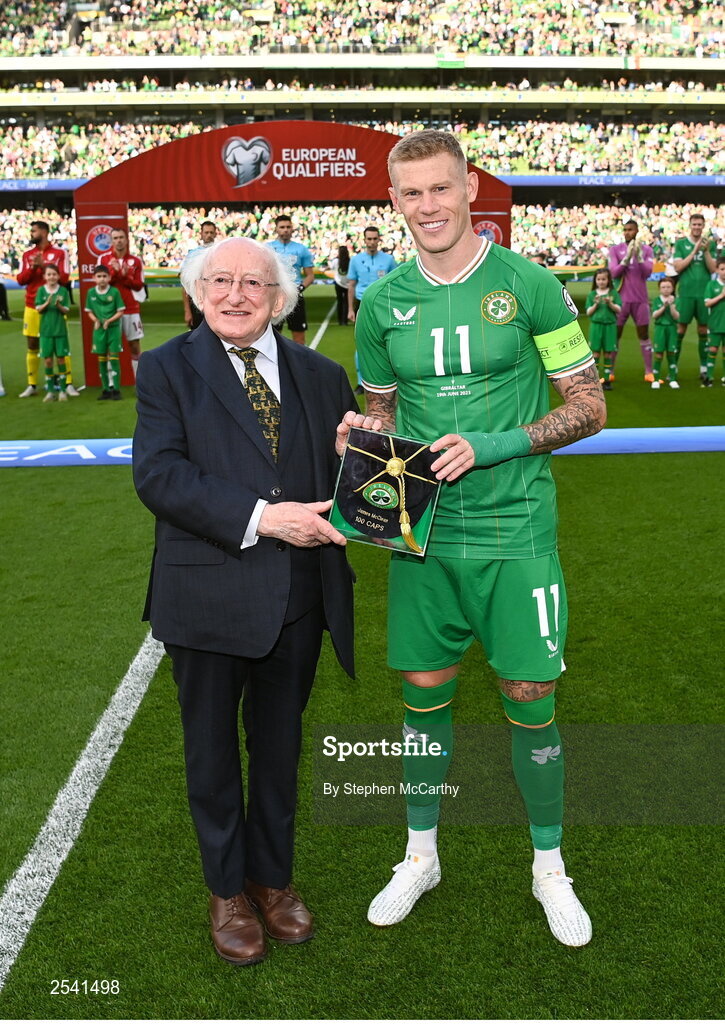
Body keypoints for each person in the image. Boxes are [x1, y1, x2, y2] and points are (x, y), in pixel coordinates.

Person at [355, 130, 606, 948]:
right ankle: (419, 854)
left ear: (469, 190)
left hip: (515, 529)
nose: (426, 206)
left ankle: (548, 869)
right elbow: (383, 411)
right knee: (421, 691)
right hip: (422, 533)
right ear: (393, 202)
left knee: (529, 697)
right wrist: (364, 433)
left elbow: (588, 405)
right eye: (410, 194)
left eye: (439, 189)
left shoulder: (530, 285)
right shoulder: (381, 303)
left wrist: (492, 445)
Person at [133, 237, 380, 967]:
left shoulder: (322, 373)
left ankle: (271, 882)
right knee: (211, 757)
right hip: (205, 599)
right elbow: (159, 475)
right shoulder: (165, 368)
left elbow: (354, 490)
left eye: (252, 283)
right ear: (196, 293)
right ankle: (226, 893)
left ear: (280, 299)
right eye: (219, 281)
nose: (234, 294)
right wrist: (263, 518)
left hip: (298, 600)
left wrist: (358, 453)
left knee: (278, 752)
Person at [16, 220, 79, 397]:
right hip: (32, 306)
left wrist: (44, 265)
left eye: (34, 231)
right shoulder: (27, 255)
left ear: (43, 232)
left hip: (55, 308)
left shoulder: (60, 253)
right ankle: (32, 384)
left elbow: (65, 278)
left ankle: (67, 383)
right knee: (32, 344)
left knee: (61, 346)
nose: (31, 234)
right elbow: (21, 279)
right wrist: (34, 267)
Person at [347, 226, 397, 393]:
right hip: (362, 304)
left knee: (388, 342)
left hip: (383, 306)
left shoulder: (389, 260)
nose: (372, 242)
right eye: (369, 239)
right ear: (364, 240)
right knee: (361, 344)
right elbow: (351, 285)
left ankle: (391, 380)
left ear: (379, 239)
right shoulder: (355, 260)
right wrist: (350, 309)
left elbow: (396, 284)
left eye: (375, 239)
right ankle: (362, 382)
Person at [608, 219, 655, 382]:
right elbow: (613, 273)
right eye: (625, 229)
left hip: (640, 299)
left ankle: (649, 371)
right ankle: (610, 371)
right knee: (615, 335)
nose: (627, 232)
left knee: (643, 334)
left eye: (631, 229)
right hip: (621, 300)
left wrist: (639, 257)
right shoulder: (615, 250)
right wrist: (627, 258)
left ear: (637, 231)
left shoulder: (647, 250)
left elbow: (648, 272)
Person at [673, 213, 718, 381]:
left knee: (703, 330)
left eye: (700, 224)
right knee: (680, 330)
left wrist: (705, 251)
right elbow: (678, 267)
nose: (697, 227)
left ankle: (704, 367)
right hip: (685, 293)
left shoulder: (710, 244)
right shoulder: (681, 244)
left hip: (704, 294)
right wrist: (694, 250)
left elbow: (714, 269)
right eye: (694, 224)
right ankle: (673, 366)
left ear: (703, 226)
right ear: (690, 225)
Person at [99, 227, 146, 379]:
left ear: (126, 240)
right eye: (115, 238)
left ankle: (139, 383)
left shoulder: (136, 261)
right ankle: (112, 385)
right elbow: (102, 283)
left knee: (134, 346)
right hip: (110, 310)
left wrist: (125, 276)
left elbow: (139, 285)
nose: (118, 240)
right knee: (111, 347)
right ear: (111, 241)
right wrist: (115, 272)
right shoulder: (104, 260)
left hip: (131, 309)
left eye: (121, 237)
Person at [266, 215, 314, 345]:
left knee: (299, 337)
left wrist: (300, 288)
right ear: (276, 229)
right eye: (282, 227)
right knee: (272, 337)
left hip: (295, 297)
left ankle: (299, 365)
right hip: (275, 297)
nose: (285, 230)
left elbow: (310, 275)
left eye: (288, 227)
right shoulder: (267, 248)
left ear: (292, 229)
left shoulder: (301, 249)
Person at [85, 265, 125, 400]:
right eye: (99, 276)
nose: (102, 279)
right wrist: (95, 320)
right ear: (94, 278)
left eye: (104, 276)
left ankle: (117, 389)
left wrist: (109, 320)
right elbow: (89, 311)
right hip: (99, 330)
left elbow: (120, 311)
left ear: (109, 278)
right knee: (101, 360)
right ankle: (106, 389)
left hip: (113, 330)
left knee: (114, 358)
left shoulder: (114, 292)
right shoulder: (91, 293)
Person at [35, 264, 71, 402]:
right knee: (48, 360)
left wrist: (58, 306)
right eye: (49, 274)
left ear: (58, 276)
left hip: (60, 330)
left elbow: (66, 310)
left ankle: (62, 390)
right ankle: (50, 391)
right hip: (46, 331)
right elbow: (38, 309)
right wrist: (47, 303)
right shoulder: (41, 291)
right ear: (44, 276)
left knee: (61, 359)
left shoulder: (63, 291)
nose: (51, 277)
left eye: (54, 274)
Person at [585, 267, 622, 391]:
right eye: (599, 279)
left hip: (610, 326)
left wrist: (610, 303)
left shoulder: (613, 294)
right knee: (595, 352)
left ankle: (606, 379)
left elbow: (619, 310)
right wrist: (596, 304)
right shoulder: (592, 294)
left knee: (608, 352)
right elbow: (588, 312)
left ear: (608, 280)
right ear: (595, 280)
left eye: (604, 279)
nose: (601, 281)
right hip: (596, 326)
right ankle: (595, 380)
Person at [182, 220, 218, 329]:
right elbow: (185, 285)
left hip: (216, 301)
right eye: (206, 232)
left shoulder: (221, 252)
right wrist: (187, 311)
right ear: (201, 234)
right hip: (198, 303)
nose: (209, 235)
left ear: (215, 234)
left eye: (211, 233)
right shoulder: (193, 255)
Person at [650, 278, 681, 389]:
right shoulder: (657, 300)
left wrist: (671, 305)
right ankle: (656, 379)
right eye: (663, 287)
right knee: (658, 354)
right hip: (660, 329)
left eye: (668, 287)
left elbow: (677, 316)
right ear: (659, 289)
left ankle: (673, 379)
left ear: (672, 288)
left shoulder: (676, 300)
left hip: (672, 329)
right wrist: (664, 306)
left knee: (671, 353)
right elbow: (654, 315)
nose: (666, 289)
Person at [702, 256, 725, 387]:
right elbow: (707, 303)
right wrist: (721, 296)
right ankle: (709, 377)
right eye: (722, 269)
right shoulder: (711, 285)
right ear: (717, 270)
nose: (724, 272)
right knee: (713, 349)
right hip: (715, 323)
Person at [330, 243, 351, 326]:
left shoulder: (335, 261)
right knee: (346, 302)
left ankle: (340, 321)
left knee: (339, 301)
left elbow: (332, 268)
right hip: (348, 284)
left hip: (338, 283)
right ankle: (345, 320)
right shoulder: (350, 261)